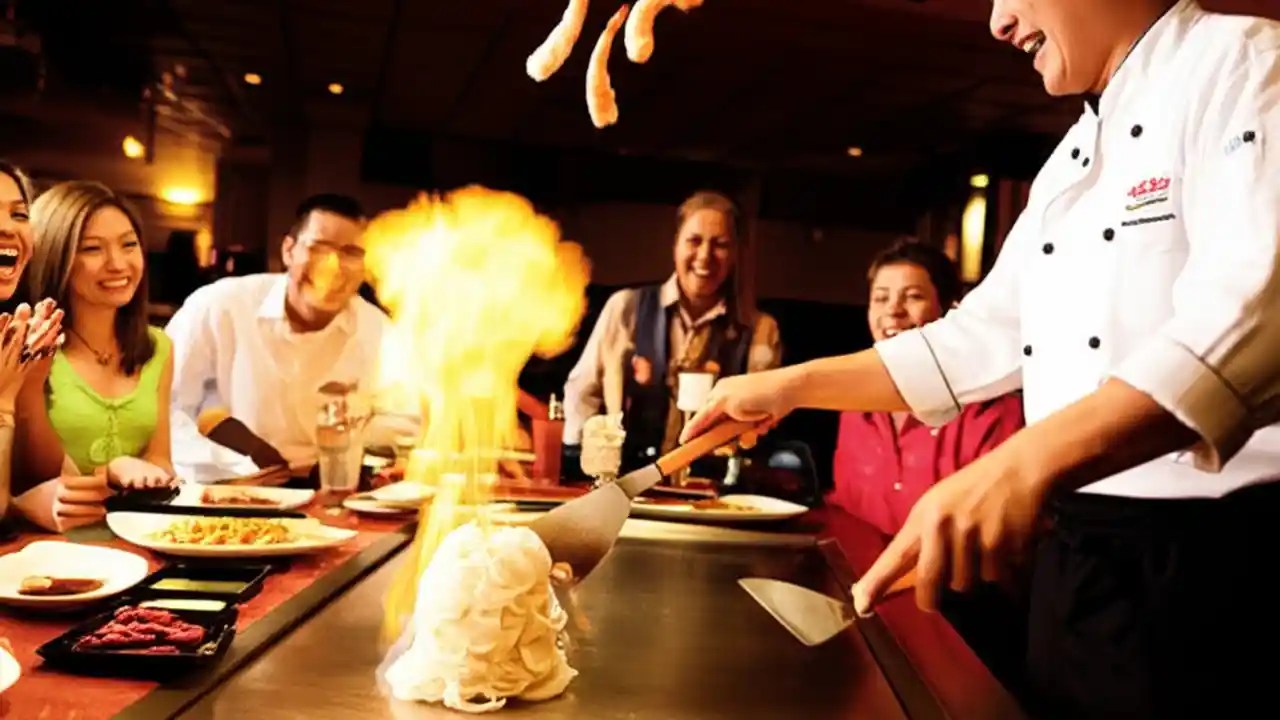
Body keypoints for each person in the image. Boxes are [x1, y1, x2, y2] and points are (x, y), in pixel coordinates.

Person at [682, 1, 1280, 717]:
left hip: (1210, 564)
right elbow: (980, 335)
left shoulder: (1243, 61)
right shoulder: (1073, 156)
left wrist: (1024, 462)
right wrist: (792, 385)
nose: (998, 22)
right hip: (1081, 560)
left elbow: (1255, 308)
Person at [166, 193, 413, 478]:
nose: (333, 267)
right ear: (288, 250)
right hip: (222, 488)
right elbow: (164, 409)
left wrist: (345, 449)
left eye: (351, 253)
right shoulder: (220, 306)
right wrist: (239, 463)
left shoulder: (379, 332)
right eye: (319, 248)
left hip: (330, 492)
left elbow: (404, 421)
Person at [562, 190, 782, 473]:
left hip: (712, 492)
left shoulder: (760, 329)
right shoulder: (626, 306)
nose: (705, 256)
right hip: (626, 480)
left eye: (721, 244)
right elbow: (583, 392)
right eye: (694, 241)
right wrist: (579, 463)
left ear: (735, 254)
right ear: (675, 244)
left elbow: (757, 421)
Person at [12, 181, 174, 531]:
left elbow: (160, 460)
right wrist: (110, 471)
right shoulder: (25, 342)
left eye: (129, 245)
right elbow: (31, 477)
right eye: (92, 249)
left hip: (138, 538)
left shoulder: (159, 346)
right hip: (47, 543)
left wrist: (148, 474)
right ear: (57, 258)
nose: (118, 263)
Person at [0, 161, 64, 523]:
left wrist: (31, 382)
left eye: (19, 214)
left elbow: (42, 478)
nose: (7, 228)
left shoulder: (15, 333)